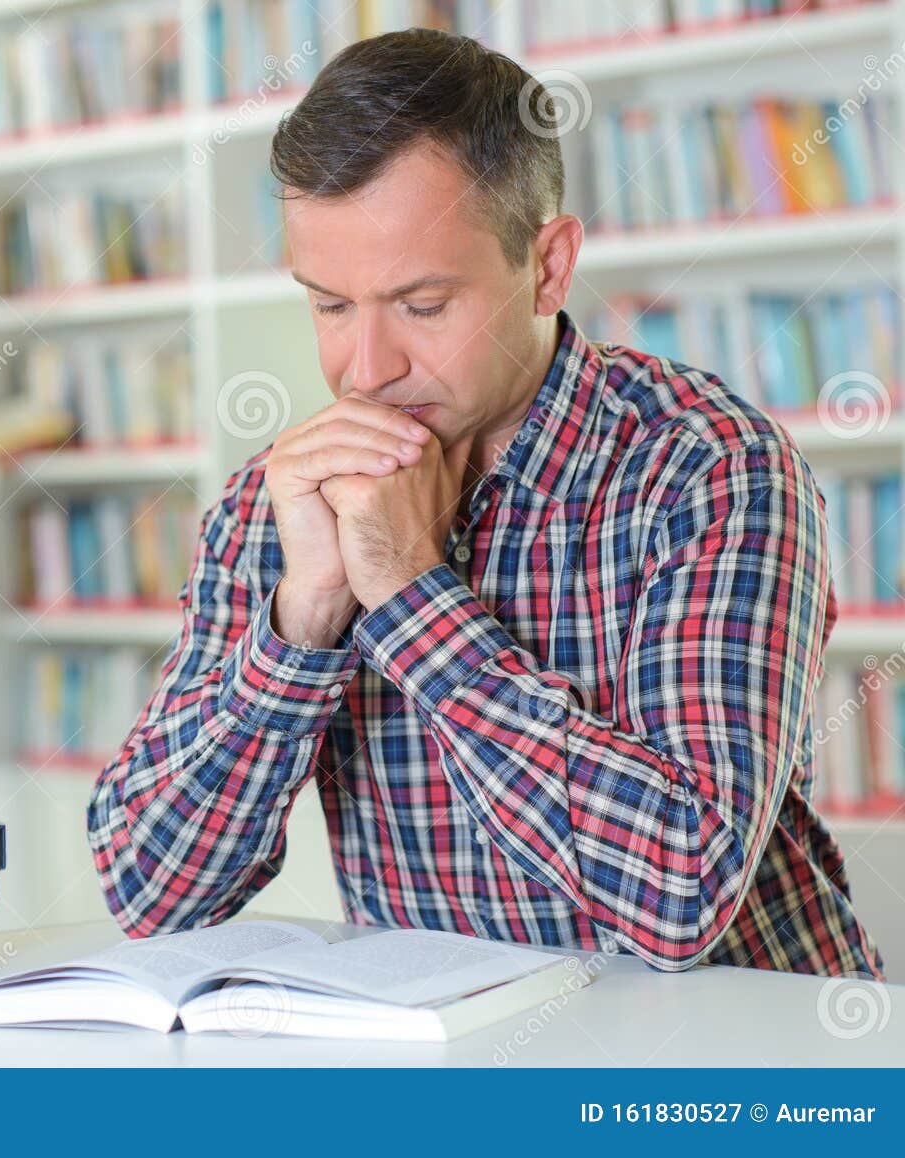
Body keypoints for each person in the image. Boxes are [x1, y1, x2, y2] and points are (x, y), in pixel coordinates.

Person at [87, 28, 885, 978]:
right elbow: (149, 892)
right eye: (331, 307)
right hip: (459, 1070)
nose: (367, 370)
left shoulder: (708, 468)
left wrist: (409, 590)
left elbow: (686, 891)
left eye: (423, 306)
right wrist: (303, 622)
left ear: (548, 266)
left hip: (737, 1066)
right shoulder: (287, 501)